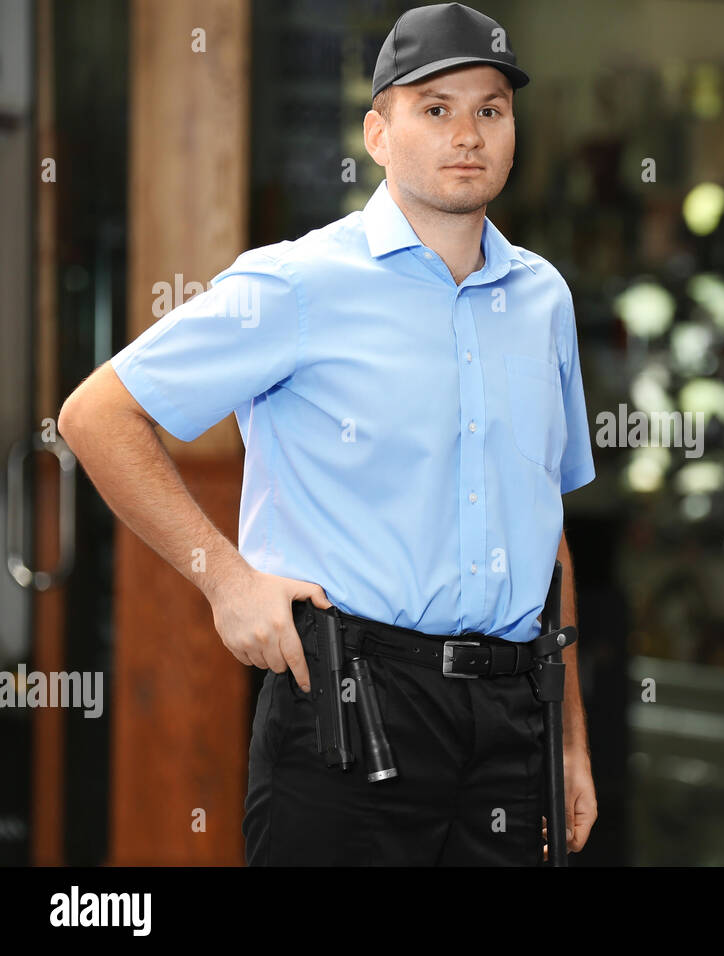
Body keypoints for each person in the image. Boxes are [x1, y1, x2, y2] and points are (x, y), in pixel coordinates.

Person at [56, 2, 598, 865]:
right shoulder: (297, 283)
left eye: (490, 109)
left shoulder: (543, 299)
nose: (467, 133)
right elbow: (96, 415)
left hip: (512, 724)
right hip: (350, 708)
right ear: (378, 134)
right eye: (436, 108)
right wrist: (225, 580)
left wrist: (569, 742)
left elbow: (547, 533)